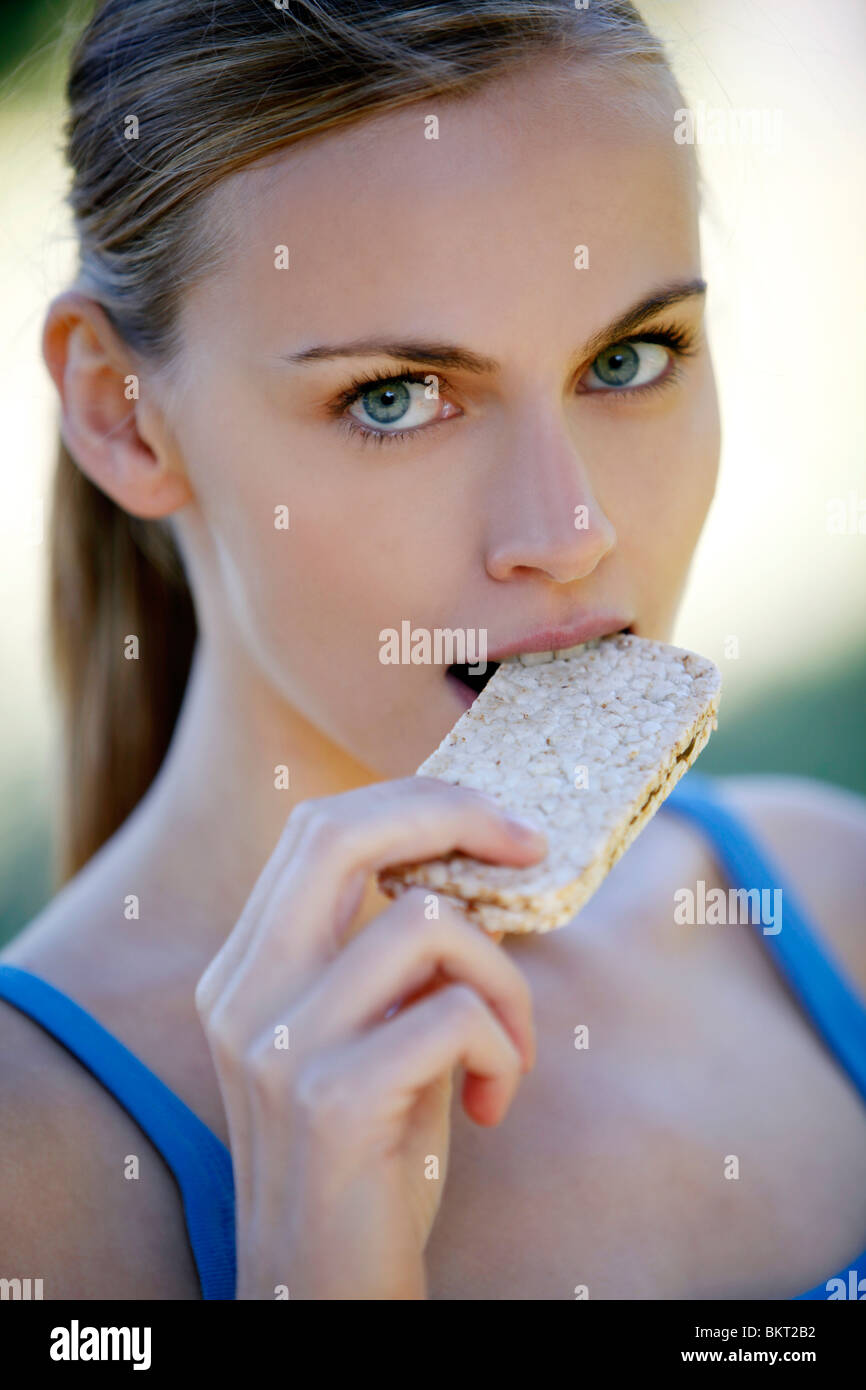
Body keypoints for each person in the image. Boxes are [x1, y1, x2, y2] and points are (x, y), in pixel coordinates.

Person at [1, 0, 864, 1301]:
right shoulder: (32, 1182)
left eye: (629, 357)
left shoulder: (831, 908)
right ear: (122, 415)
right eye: (396, 399)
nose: (567, 532)